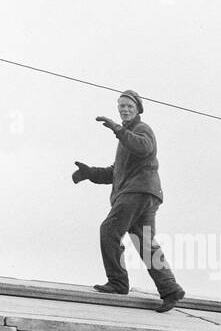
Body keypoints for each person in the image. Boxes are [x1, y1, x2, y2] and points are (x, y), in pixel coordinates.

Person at [72, 88, 186, 313]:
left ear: (138, 109)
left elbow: (144, 147)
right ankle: (170, 289)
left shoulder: (141, 130)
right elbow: (116, 172)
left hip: (137, 191)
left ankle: (117, 282)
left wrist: (117, 129)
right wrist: (90, 173)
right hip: (146, 193)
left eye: (129, 106)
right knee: (145, 242)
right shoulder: (126, 136)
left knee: (109, 230)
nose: (124, 109)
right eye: (121, 106)